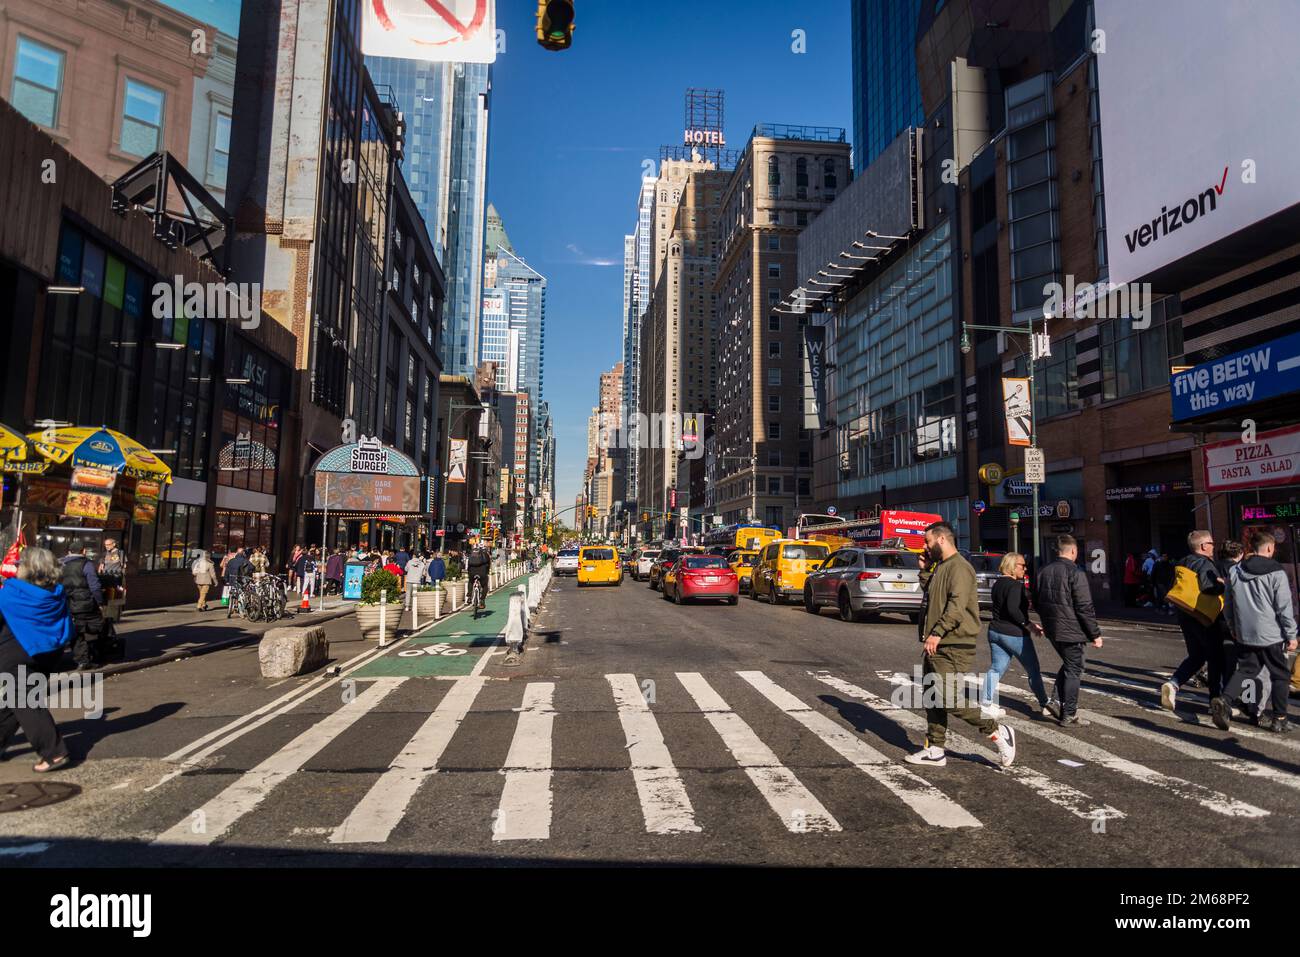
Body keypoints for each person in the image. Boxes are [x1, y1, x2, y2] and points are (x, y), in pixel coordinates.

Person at [906, 521, 1016, 768]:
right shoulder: (941, 567)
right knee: (933, 698)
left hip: (953, 644)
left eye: (928, 542)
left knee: (947, 698)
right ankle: (935, 749)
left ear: (942, 540)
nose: (925, 546)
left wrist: (937, 633)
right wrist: (924, 570)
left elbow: (956, 607)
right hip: (937, 644)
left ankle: (998, 731)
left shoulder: (960, 568)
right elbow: (933, 594)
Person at [1212, 531, 1298, 733]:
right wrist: (1291, 635)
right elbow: (1284, 607)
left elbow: (1228, 605)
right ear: (1269, 548)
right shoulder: (1276, 572)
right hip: (1271, 634)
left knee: (1246, 670)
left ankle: (1225, 700)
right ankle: (1280, 718)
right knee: (1280, 675)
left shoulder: (1235, 571)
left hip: (1245, 632)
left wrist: (1233, 627)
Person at [0, 548, 73, 772]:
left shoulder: (11, 592)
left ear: (26, 568)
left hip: (17, 652)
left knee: (24, 701)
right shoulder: (57, 594)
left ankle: (54, 752)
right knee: (12, 703)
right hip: (49, 652)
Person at [1035, 534, 1103, 726]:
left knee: (1069, 664)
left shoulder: (1043, 571)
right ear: (1073, 551)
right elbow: (1085, 606)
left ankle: (1056, 701)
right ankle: (1069, 712)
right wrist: (1095, 634)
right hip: (1072, 629)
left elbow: (1037, 601)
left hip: (1053, 627)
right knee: (1074, 668)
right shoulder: (1076, 572)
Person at [1160, 530, 1228, 712]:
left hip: (1185, 614)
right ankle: (1215, 700)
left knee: (1197, 656)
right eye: (1212, 544)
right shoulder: (1205, 563)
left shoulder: (1182, 562)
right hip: (1203, 616)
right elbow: (1209, 587)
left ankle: (1173, 684)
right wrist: (1222, 584)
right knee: (1215, 658)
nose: (1214, 547)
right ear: (1204, 546)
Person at [981, 552, 1051, 719]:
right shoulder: (1015, 586)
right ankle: (1045, 704)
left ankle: (986, 703)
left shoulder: (997, 584)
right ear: (1012, 566)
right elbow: (1013, 609)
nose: (1025, 569)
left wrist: (1029, 624)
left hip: (995, 631)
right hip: (1014, 634)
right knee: (1033, 669)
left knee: (996, 668)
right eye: (1022, 565)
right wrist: (1028, 625)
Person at [60, 544, 106, 671]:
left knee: (76, 631)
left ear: (69, 551)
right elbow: (95, 585)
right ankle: (90, 658)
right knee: (93, 629)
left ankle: (81, 660)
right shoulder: (87, 564)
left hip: (68, 602)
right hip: (86, 603)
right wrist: (100, 602)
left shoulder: (61, 564)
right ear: (84, 551)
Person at [98, 537, 126, 611]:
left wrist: (122, 576)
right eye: (105, 545)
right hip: (106, 577)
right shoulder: (104, 553)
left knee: (115, 593)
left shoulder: (120, 553)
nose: (107, 546)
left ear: (114, 544)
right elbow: (101, 566)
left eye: (108, 544)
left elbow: (124, 565)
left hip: (116, 576)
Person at [466, 540, 492, 609]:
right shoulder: (485, 554)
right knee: (485, 586)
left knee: (471, 582)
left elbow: (468, 565)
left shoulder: (472, 554)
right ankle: (482, 600)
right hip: (482, 572)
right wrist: (487, 572)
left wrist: (469, 572)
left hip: (472, 572)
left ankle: (469, 596)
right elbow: (488, 565)